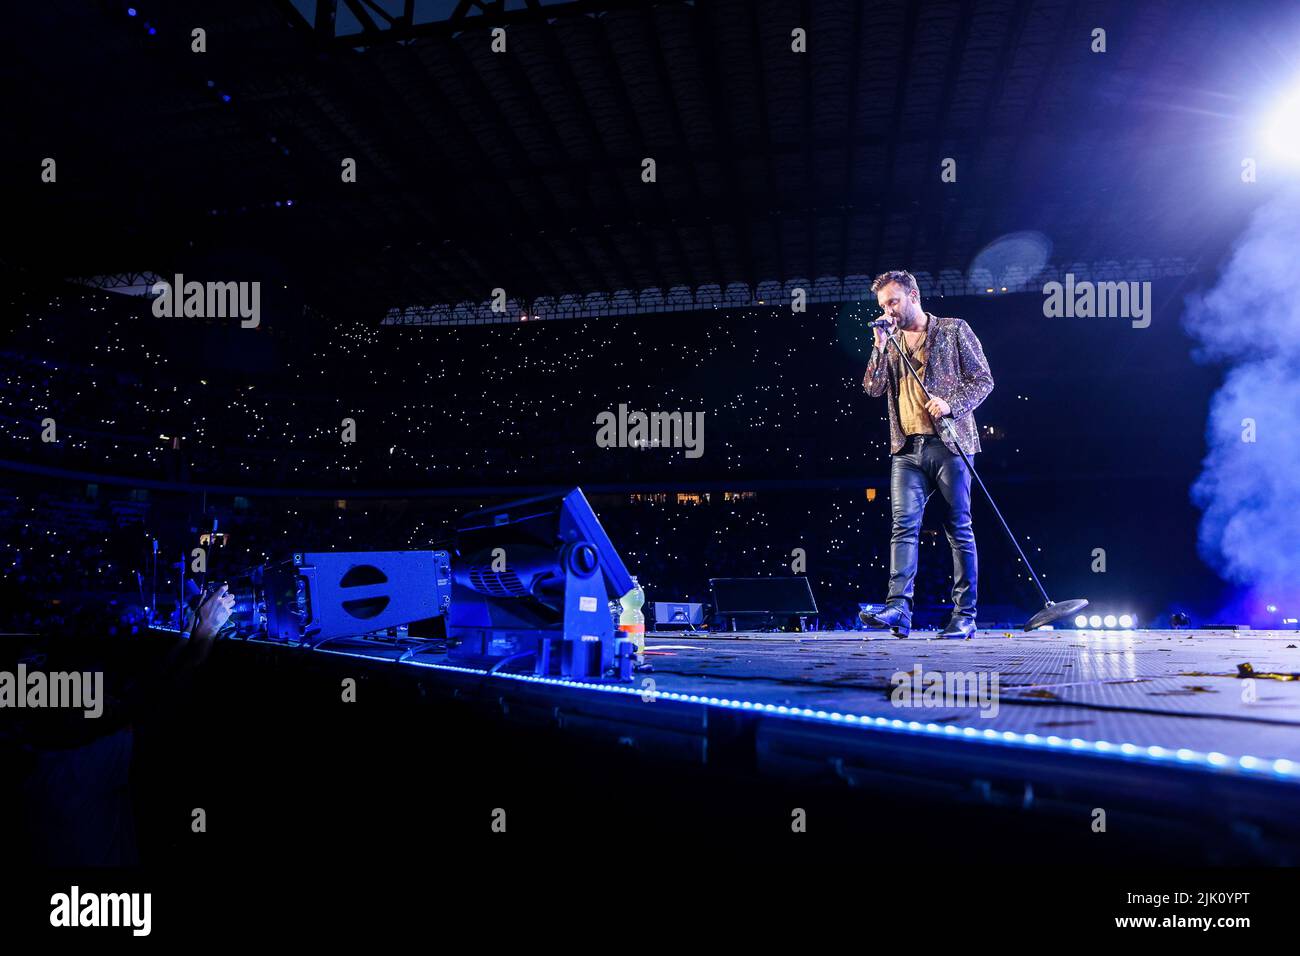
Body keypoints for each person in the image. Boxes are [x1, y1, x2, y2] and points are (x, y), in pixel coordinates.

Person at [860, 270, 993, 639]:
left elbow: (984, 379)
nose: (889, 310)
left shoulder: (953, 329)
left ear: (913, 295)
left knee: (958, 529)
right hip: (906, 450)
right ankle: (898, 608)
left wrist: (951, 404)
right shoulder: (890, 341)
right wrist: (878, 343)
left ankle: (964, 615)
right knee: (903, 528)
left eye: (893, 302)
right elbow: (871, 388)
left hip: (949, 444)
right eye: (883, 305)